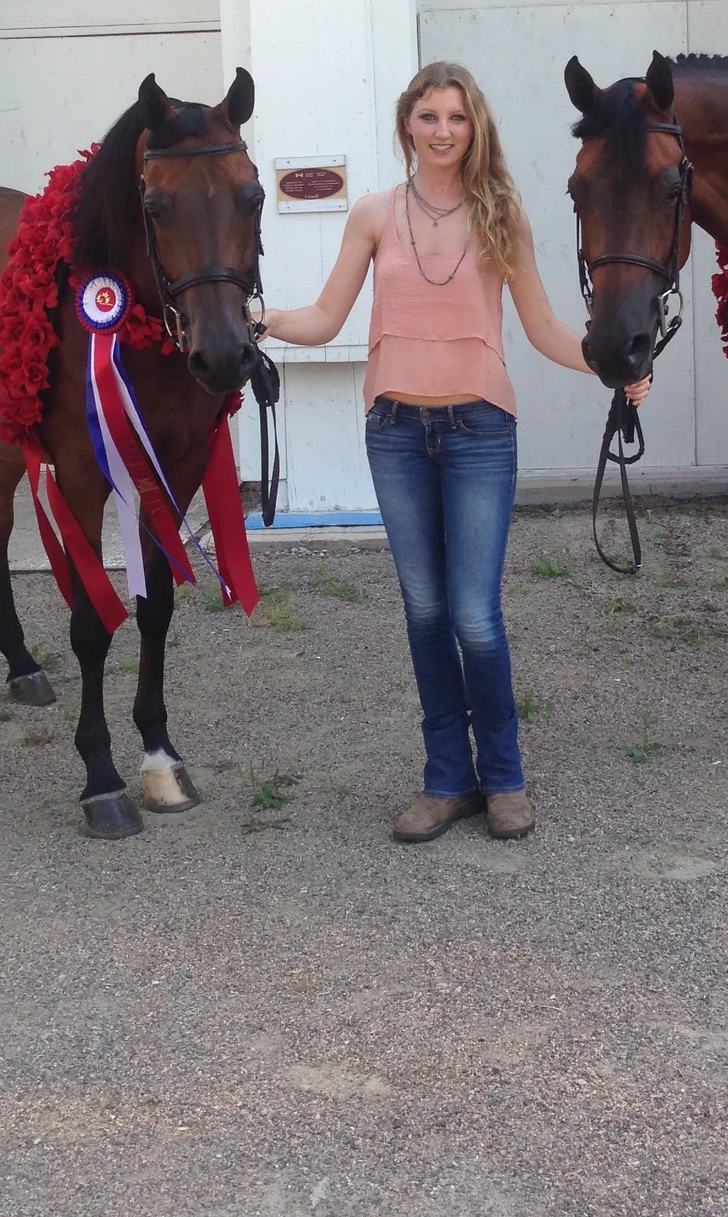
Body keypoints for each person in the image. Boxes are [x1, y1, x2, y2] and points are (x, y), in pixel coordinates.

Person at [258, 61, 649, 845]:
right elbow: (330, 317)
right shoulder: (372, 214)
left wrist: (617, 365)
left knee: (474, 614)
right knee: (426, 611)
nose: (443, 131)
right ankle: (446, 780)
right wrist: (255, 319)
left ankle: (503, 777)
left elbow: (541, 329)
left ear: (476, 129)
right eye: (430, 116)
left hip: (478, 432)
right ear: (408, 123)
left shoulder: (503, 214)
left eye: (457, 118)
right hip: (396, 432)